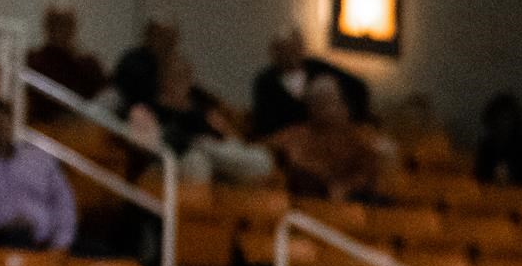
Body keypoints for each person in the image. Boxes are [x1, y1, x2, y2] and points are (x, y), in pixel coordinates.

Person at [125, 55, 274, 185]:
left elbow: (228, 137)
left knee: (262, 158)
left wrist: (222, 138)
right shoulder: (145, 109)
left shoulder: (202, 108)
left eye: (186, 76)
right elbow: (146, 145)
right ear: (162, 79)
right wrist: (186, 141)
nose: (181, 81)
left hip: (215, 152)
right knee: (197, 160)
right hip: (178, 156)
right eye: (175, 75)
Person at [0, 97, 76, 250]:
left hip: (48, 242)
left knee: (97, 252)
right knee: (18, 236)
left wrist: (61, 241)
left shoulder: (38, 158)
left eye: (2, 120)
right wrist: (4, 224)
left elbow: (63, 200)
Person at [268, 75, 386, 201]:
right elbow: (268, 149)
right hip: (302, 202)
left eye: (327, 101)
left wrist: (344, 188)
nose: (320, 108)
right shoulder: (294, 135)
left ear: (343, 104)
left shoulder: (362, 137)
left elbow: (368, 177)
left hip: (351, 204)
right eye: (315, 102)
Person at [250, 29, 368, 140]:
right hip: (287, 139)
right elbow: (264, 122)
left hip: (326, 134)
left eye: (293, 48)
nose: (289, 54)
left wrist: (354, 120)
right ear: (274, 52)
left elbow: (358, 88)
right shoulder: (265, 81)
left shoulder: (319, 68)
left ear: (301, 48)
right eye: (283, 50)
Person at [25, 6, 106, 103]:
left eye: (65, 24)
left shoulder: (89, 66)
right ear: (47, 27)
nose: (60, 30)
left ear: (73, 28)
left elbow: (103, 98)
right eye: (55, 24)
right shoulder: (32, 61)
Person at [111, 17, 182, 113]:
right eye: (162, 36)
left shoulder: (176, 66)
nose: (167, 43)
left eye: (171, 38)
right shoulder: (132, 63)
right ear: (150, 36)